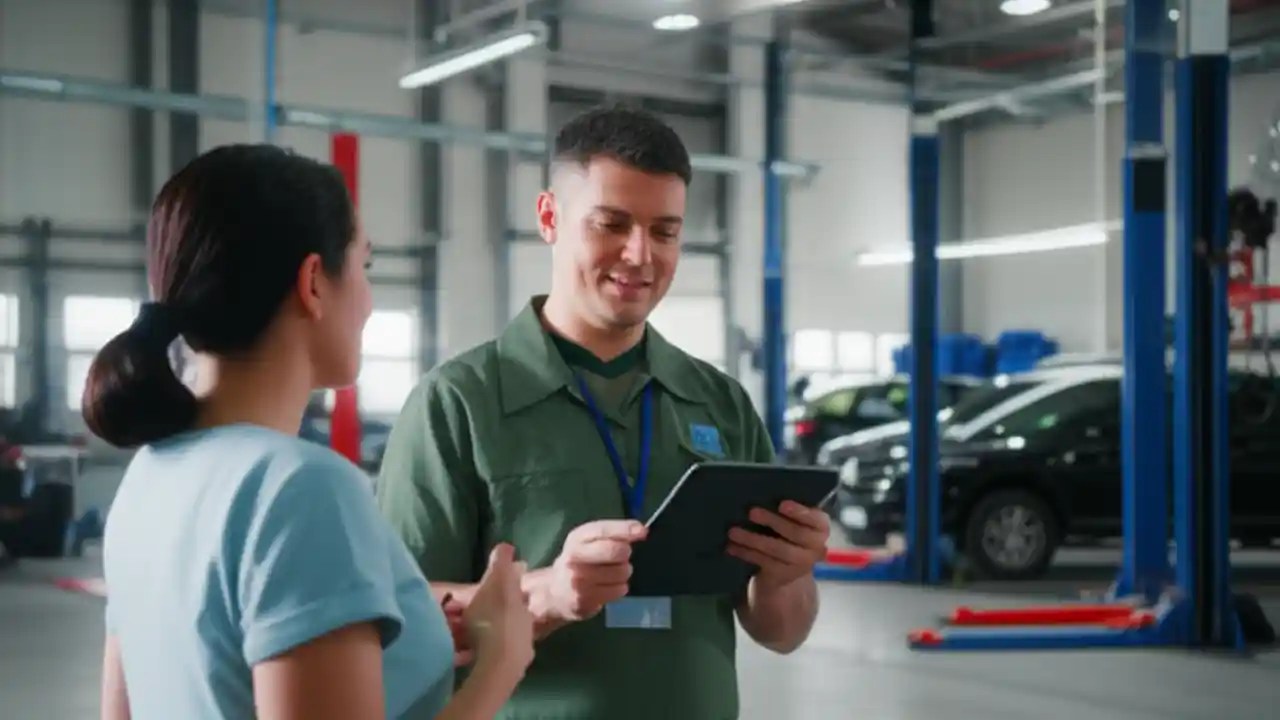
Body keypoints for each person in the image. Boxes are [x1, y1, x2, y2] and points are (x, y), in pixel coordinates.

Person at [377, 105, 830, 719]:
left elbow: (782, 632)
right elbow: (399, 623)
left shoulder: (719, 403)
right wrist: (546, 596)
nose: (640, 255)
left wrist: (783, 578)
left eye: (665, 231)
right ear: (549, 218)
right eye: (611, 224)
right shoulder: (458, 402)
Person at [84, 144, 534, 720]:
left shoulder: (149, 475)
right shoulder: (300, 488)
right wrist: (500, 661)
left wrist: (401, 645)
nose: (369, 302)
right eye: (364, 265)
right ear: (314, 282)